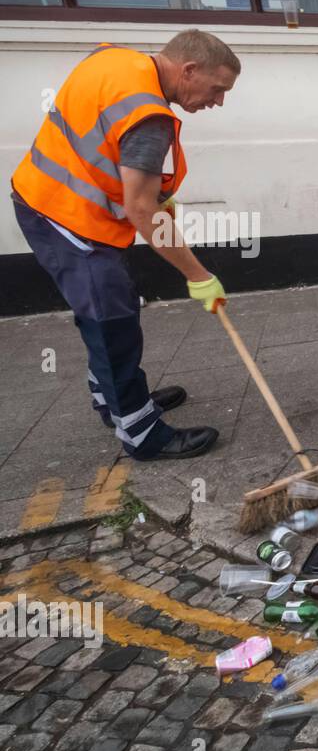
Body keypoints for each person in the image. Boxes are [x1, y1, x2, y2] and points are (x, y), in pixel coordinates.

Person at [11, 29, 239, 460]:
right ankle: (141, 433)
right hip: (68, 218)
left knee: (110, 307)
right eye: (217, 88)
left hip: (42, 197)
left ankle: (113, 401)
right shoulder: (148, 118)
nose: (218, 101)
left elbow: (102, 140)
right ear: (188, 70)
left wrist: (153, 193)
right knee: (111, 320)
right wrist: (199, 276)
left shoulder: (116, 60)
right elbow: (142, 211)